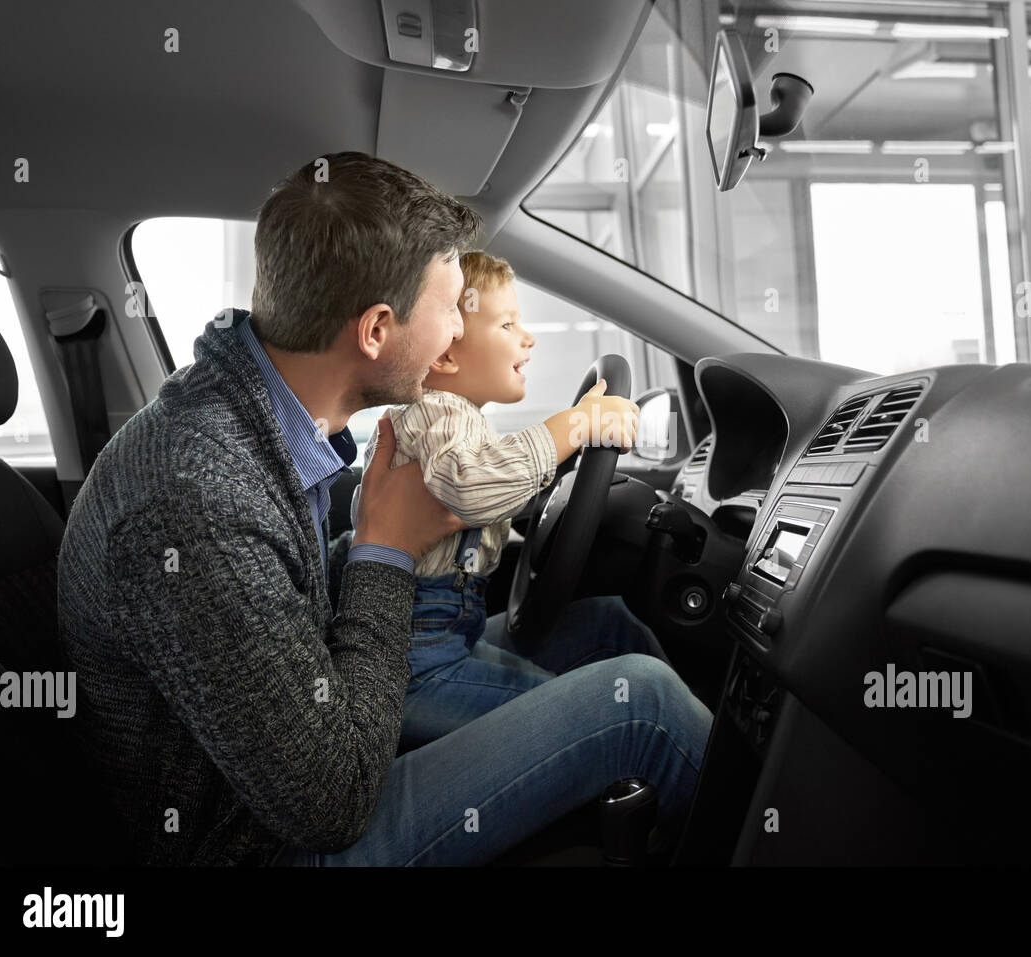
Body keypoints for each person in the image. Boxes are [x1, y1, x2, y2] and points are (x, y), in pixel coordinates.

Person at [56, 151, 714, 866]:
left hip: (302, 748)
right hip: (261, 843)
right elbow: (330, 803)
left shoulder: (268, 421)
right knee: (640, 701)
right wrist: (385, 550)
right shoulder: (195, 496)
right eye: (450, 314)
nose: (457, 338)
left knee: (603, 631)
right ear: (375, 330)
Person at [352, 250, 673, 752]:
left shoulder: (459, 416)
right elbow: (473, 487)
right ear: (446, 355)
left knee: (609, 622)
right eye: (507, 324)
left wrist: (557, 473)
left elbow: (493, 488)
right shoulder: (440, 412)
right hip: (417, 664)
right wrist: (574, 426)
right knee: (575, 716)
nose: (528, 337)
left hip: (447, 634)